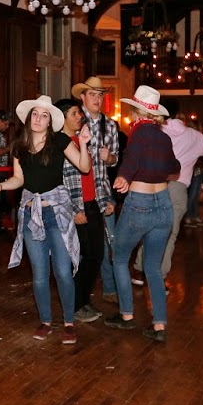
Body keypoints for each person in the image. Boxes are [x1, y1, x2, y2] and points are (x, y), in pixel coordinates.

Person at [0, 94, 90, 345]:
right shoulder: (19, 146)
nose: (38, 119)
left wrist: (85, 144)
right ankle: (45, 321)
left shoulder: (60, 140)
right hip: (32, 215)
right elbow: (19, 179)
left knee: (63, 272)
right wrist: (1, 186)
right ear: (29, 117)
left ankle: (68, 323)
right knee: (40, 274)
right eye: (35, 114)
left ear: (49, 121)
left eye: (44, 116)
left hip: (56, 213)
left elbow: (84, 167)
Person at [103, 86, 179, 341]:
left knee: (119, 258)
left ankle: (126, 315)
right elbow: (174, 167)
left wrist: (124, 176)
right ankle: (159, 325)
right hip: (164, 204)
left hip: (140, 204)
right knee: (153, 267)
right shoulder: (164, 138)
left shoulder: (138, 133)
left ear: (137, 111)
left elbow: (132, 160)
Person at [134, 113, 203, 282]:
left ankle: (140, 270)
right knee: (169, 234)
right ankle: (158, 276)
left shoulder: (156, 129)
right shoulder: (194, 136)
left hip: (152, 184)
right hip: (177, 187)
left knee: (149, 229)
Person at [57, 98, 105, 325]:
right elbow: (59, 182)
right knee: (81, 257)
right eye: (74, 113)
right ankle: (76, 305)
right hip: (76, 207)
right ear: (62, 117)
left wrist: (104, 199)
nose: (80, 117)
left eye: (79, 113)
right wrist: (73, 210)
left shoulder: (83, 139)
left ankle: (83, 300)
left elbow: (96, 173)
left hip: (92, 204)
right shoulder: (60, 144)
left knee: (96, 255)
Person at [72, 77, 120, 304]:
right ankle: (79, 295)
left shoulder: (109, 125)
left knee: (111, 242)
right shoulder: (73, 122)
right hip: (78, 194)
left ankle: (109, 288)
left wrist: (109, 158)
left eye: (100, 95)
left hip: (102, 192)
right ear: (82, 97)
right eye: (92, 94)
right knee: (82, 247)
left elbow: (114, 160)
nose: (97, 99)